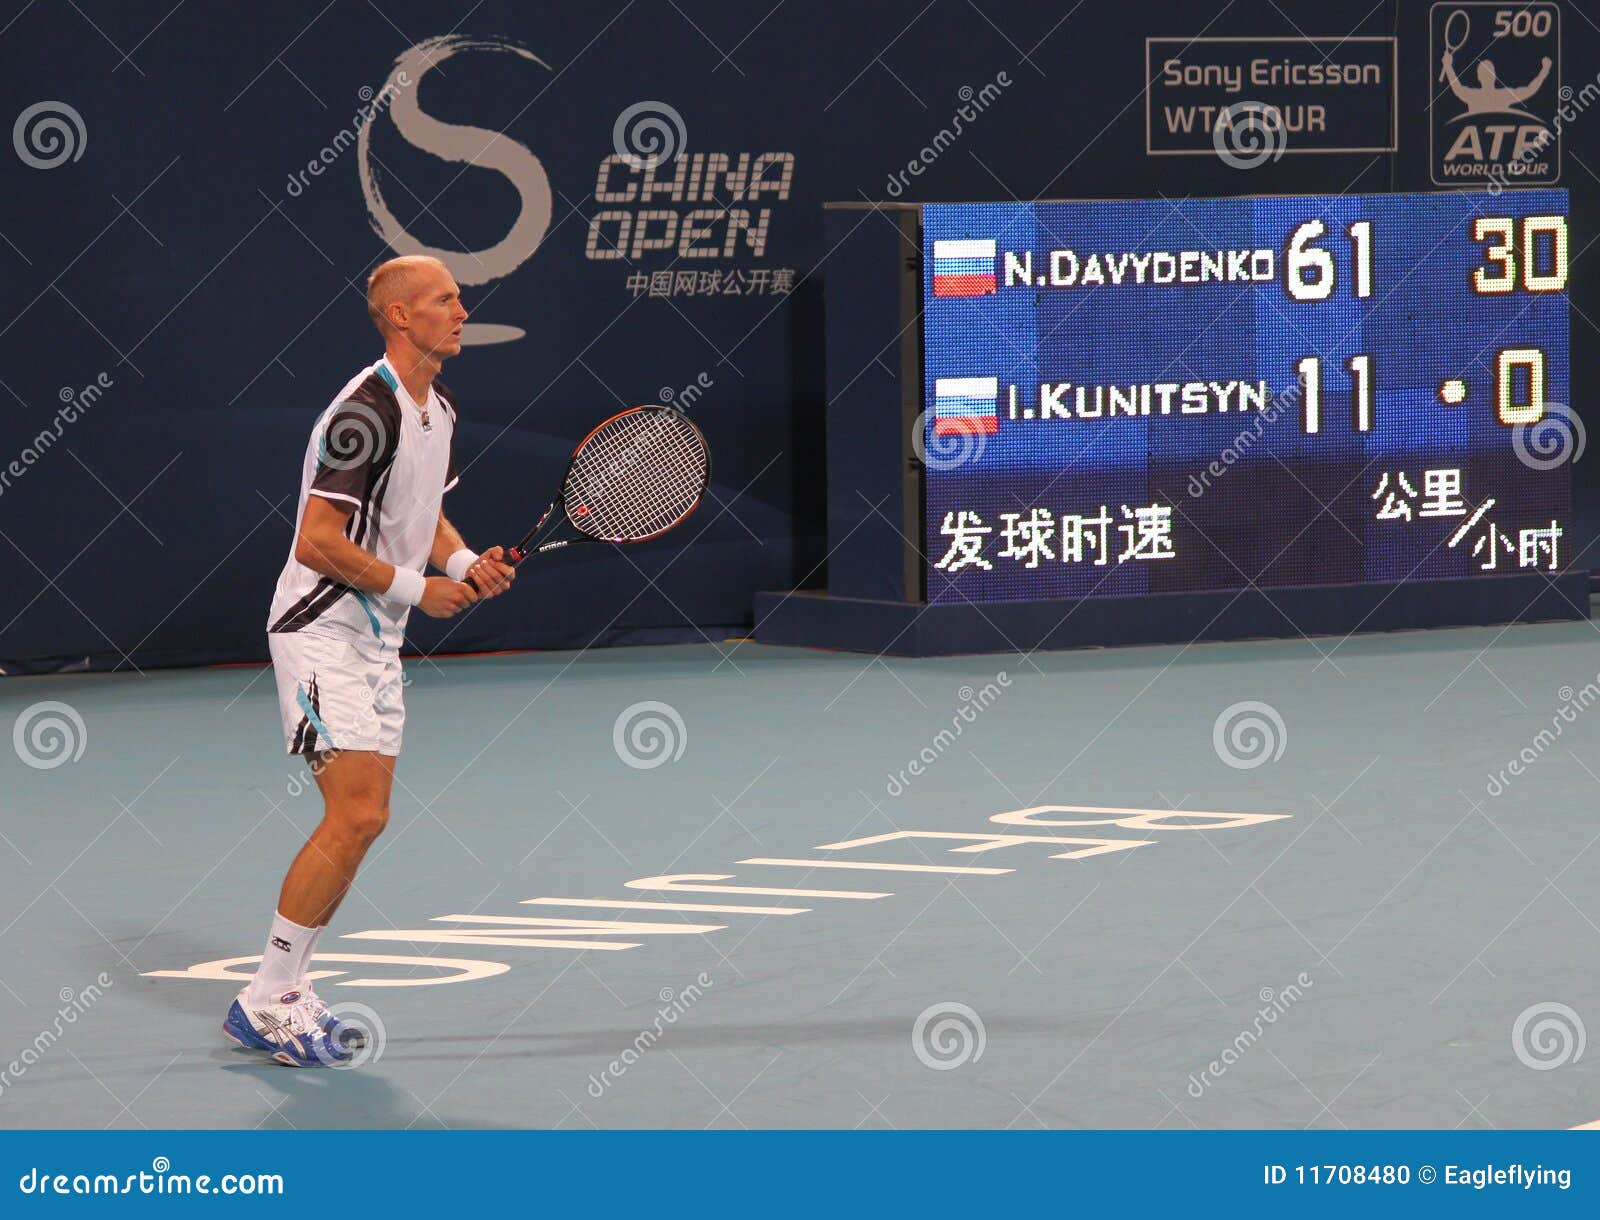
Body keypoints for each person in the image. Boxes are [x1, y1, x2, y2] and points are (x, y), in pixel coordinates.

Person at [223, 254, 515, 1066]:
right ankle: (270, 998)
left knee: (368, 818)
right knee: (352, 814)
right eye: (445, 300)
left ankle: (280, 990)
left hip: (377, 639)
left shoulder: (438, 406)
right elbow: (316, 541)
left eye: (459, 298)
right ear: (399, 317)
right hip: (320, 634)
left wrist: (459, 567)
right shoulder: (365, 412)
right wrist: (418, 589)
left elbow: (427, 511)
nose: (463, 310)